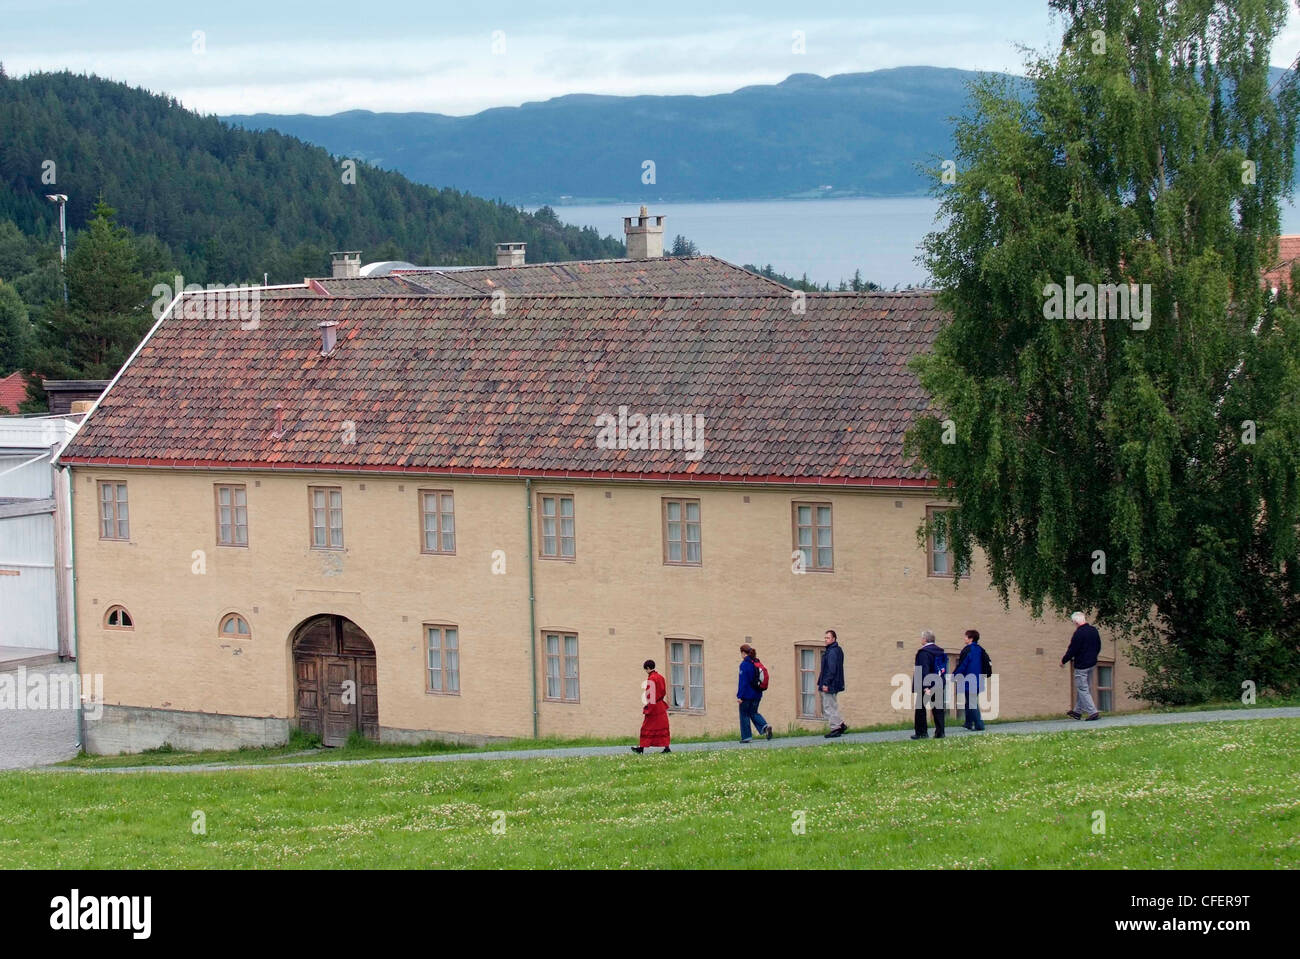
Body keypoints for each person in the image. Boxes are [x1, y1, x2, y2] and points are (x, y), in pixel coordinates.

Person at [1061, 611, 1102, 721]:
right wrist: (1094, 656)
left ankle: (1092, 712)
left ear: (1075, 622)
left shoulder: (1079, 633)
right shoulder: (1094, 630)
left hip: (1081, 665)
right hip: (1092, 663)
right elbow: (1098, 646)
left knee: (1083, 688)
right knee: (1083, 687)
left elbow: (1073, 649)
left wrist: (1064, 661)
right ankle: (1077, 711)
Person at [911, 629, 946, 739]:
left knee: (920, 708)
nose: (921, 640)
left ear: (925, 639)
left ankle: (921, 733)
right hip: (938, 682)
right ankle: (940, 732)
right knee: (938, 709)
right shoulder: (941, 652)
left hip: (926, 684)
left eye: (922, 638)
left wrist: (926, 686)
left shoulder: (924, 653)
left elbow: (924, 669)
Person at [953, 629, 990, 731]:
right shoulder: (981, 650)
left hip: (969, 680)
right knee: (969, 701)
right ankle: (968, 723)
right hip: (978, 680)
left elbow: (963, 665)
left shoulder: (967, 650)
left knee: (972, 702)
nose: (964, 638)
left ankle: (979, 725)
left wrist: (955, 675)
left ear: (971, 638)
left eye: (966, 636)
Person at [631, 659, 671, 753]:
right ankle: (667, 747)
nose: (646, 671)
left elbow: (651, 695)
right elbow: (663, 691)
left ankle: (641, 748)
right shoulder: (661, 677)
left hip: (654, 707)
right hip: (661, 705)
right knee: (663, 727)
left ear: (648, 668)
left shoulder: (651, 679)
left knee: (646, 727)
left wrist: (648, 707)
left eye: (646, 670)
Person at [737, 644, 773, 743]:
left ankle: (746, 737)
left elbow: (743, 682)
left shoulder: (744, 664)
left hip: (747, 695)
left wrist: (740, 696)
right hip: (757, 694)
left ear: (743, 653)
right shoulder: (756, 662)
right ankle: (765, 726)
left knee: (744, 714)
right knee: (753, 712)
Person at [818, 629, 847, 738]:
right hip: (835, 682)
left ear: (834, 639)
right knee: (832, 705)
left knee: (828, 706)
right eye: (825, 638)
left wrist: (826, 683)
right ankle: (840, 724)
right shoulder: (837, 650)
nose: (826, 640)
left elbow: (831, 669)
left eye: (828, 638)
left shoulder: (832, 652)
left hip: (830, 683)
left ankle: (835, 728)